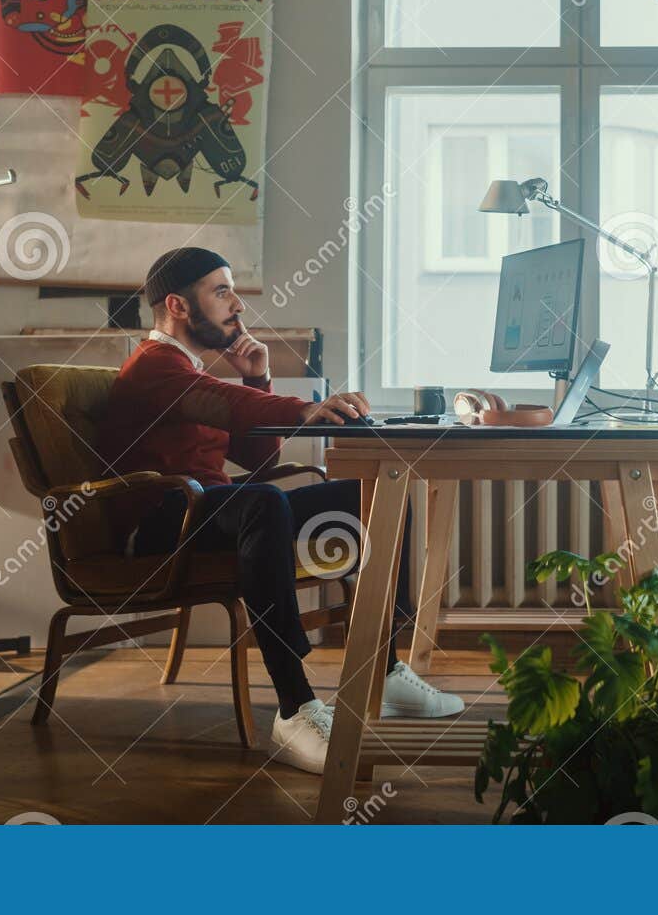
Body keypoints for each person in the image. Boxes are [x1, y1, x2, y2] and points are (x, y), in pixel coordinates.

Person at [96, 247, 463, 774]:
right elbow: (226, 409)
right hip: (160, 523)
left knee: (374, 490)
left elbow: (257, 456)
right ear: (177, 305)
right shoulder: (155, 365)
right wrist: (302, 409)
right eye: (221, 291)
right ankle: (295, 709)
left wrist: (257, 378)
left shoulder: (190, 373)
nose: (237, 305)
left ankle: (383, 668)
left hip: (207, 510)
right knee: (262, 503)